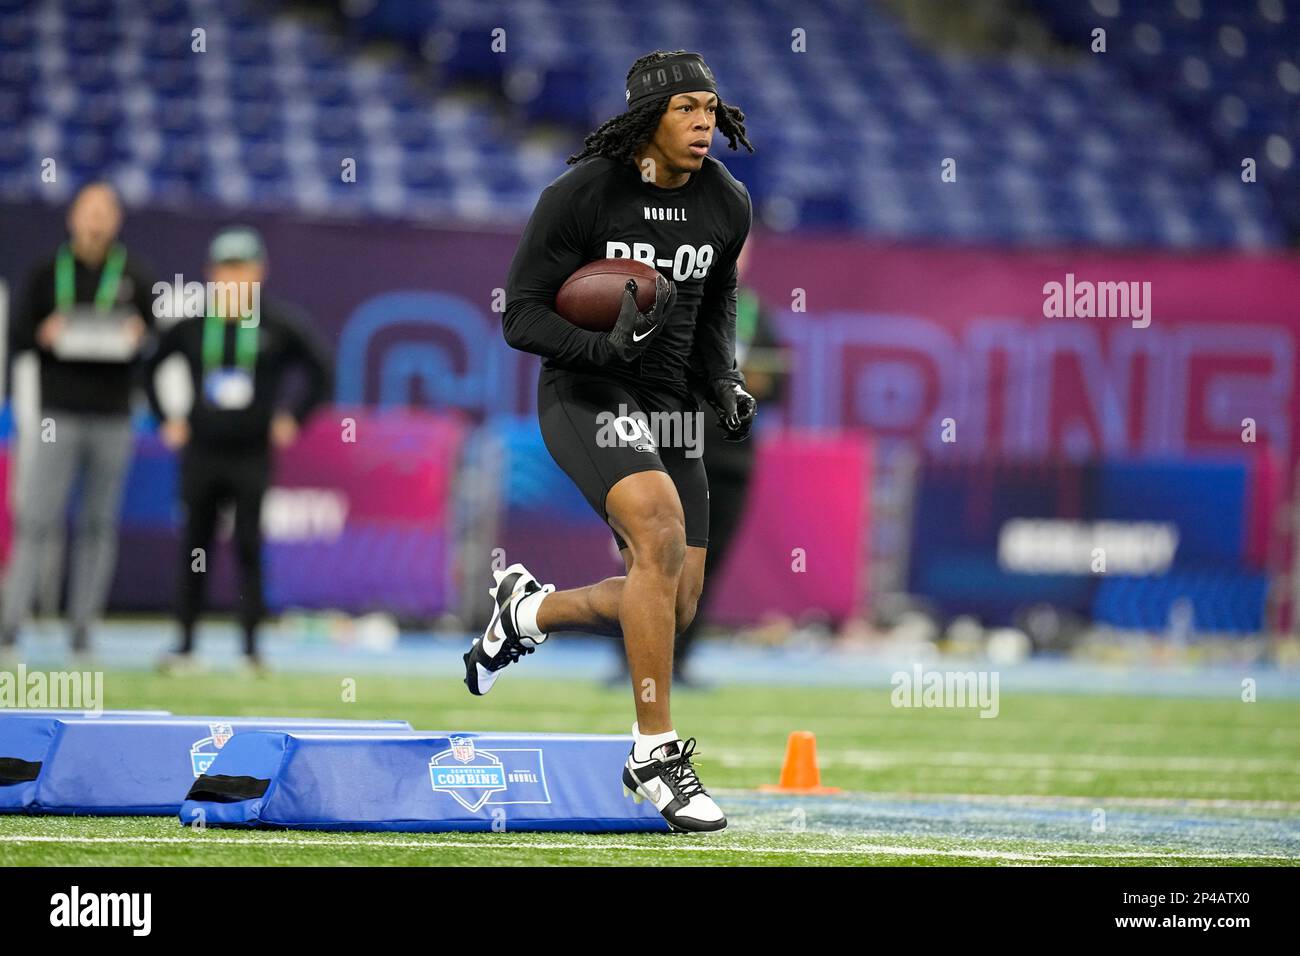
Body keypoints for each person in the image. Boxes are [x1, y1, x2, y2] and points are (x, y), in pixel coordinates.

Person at [467, 50, 756, 832]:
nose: (704, 123)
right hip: (588, 389)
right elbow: (521, 314)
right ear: (647, 118)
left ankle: (526, 615)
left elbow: (715, 298)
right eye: (687, 108)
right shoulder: (582, 194)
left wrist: (722, 379)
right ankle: (654, 754)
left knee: (671, 599)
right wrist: (606, 352)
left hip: (674, 404)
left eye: (711, 108)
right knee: (657, 528)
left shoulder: (727, 201)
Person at [141, 226, 332, 672]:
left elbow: (321, 371)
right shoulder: (191, 328)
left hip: (251, 454)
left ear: (259, 273)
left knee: (249, 546)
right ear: (212, 274)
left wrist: (293, 418)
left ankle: (251, 648)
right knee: (195, 545)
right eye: (227, 271)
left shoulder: (277, 325)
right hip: (203, 453)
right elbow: (148, 369)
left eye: (242, 270)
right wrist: (163, 419)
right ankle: (185, 645)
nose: (234, 280)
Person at [611, 241, 790, 686]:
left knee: (704, 563)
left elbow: (778, 381)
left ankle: (679, 660)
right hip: (674, 446)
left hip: (731, 459)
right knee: (651, 553)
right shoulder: (671, 303)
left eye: (742, 251)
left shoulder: (753, 313)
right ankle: (631, 658)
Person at [2, 181, 155, 658]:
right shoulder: (49, 273)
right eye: (88, 211)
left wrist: (139, 333)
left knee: (97, 523)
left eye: (104, 211)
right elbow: (18, 338)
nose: (95, 220)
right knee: (37, 519)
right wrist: (43, 333)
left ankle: (83, 629)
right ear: (73, 217)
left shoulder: (134, 273)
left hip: (112, 416)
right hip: (57, 415)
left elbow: (155, 342)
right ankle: (9, 623)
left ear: (116, 220)